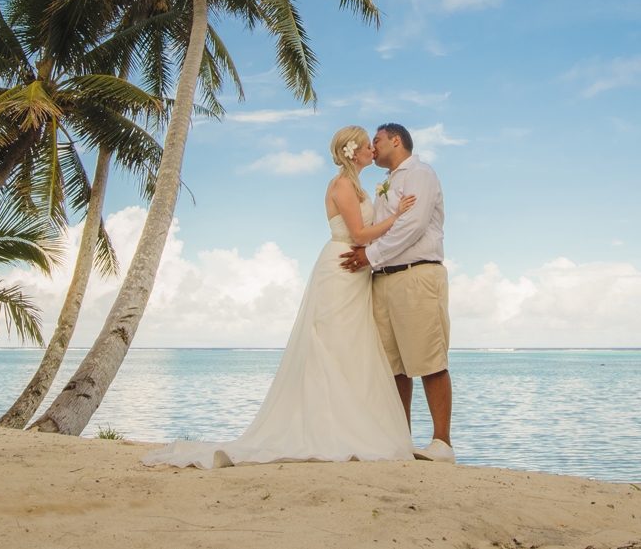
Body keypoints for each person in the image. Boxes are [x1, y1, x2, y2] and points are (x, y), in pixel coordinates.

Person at [141, 126, 419, 467]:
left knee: (354, 347)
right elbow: (359, 233)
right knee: (332, 346)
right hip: (341, 268)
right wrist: (397, 217)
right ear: (352, 152)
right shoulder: (343, 185)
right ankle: (330, 427)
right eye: (366, 146)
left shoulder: (358, 186)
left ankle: (355, 423)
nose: (372, 151)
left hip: (356, 274)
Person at [339, 122, 453, 463]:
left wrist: (368, 256)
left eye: (377, 141)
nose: (372, 148)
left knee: (429, 358)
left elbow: (413, 226)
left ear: (396, 140)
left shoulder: (420, 173)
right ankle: (400, 439)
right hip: (382, 278)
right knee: (394, 366)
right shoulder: (384, 184)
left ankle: (442, 443)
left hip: (416, 275)